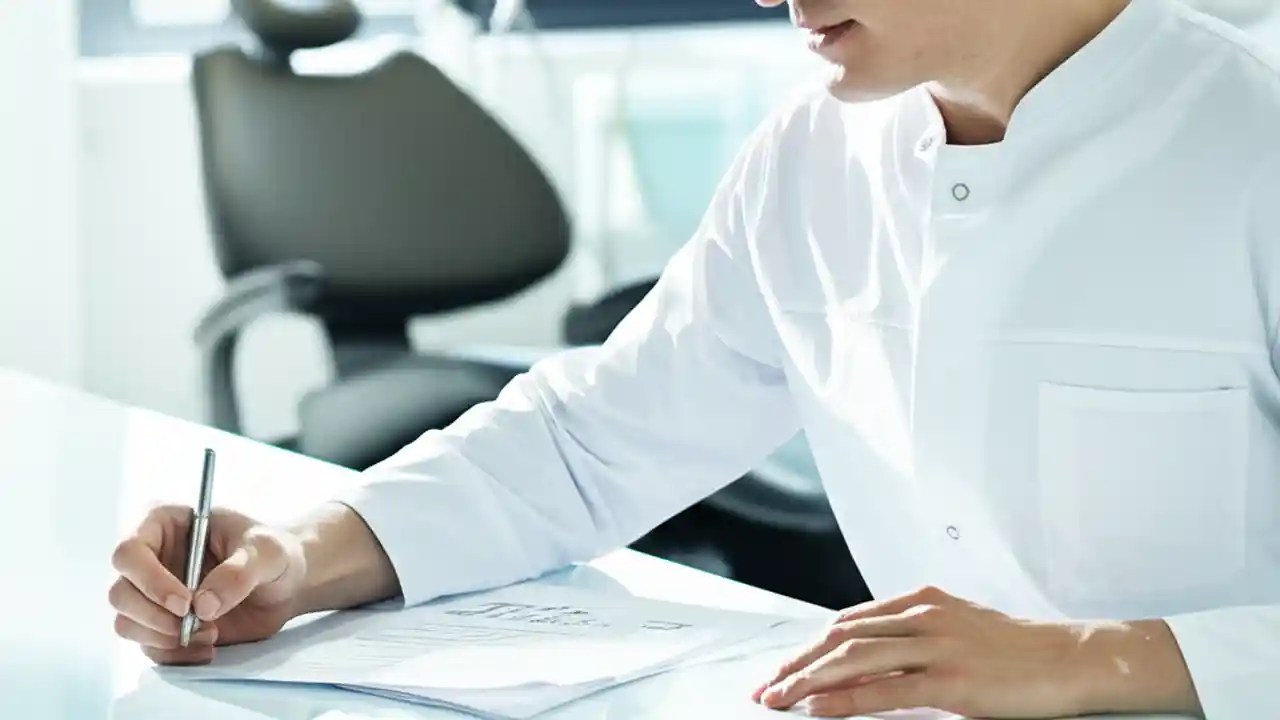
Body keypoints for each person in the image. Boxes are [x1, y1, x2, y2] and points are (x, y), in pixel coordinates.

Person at [109, 0, 1280, 717]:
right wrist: (295, 558)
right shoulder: (813, 152)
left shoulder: (1253, 144)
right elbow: (594, 438)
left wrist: (1086, 663)